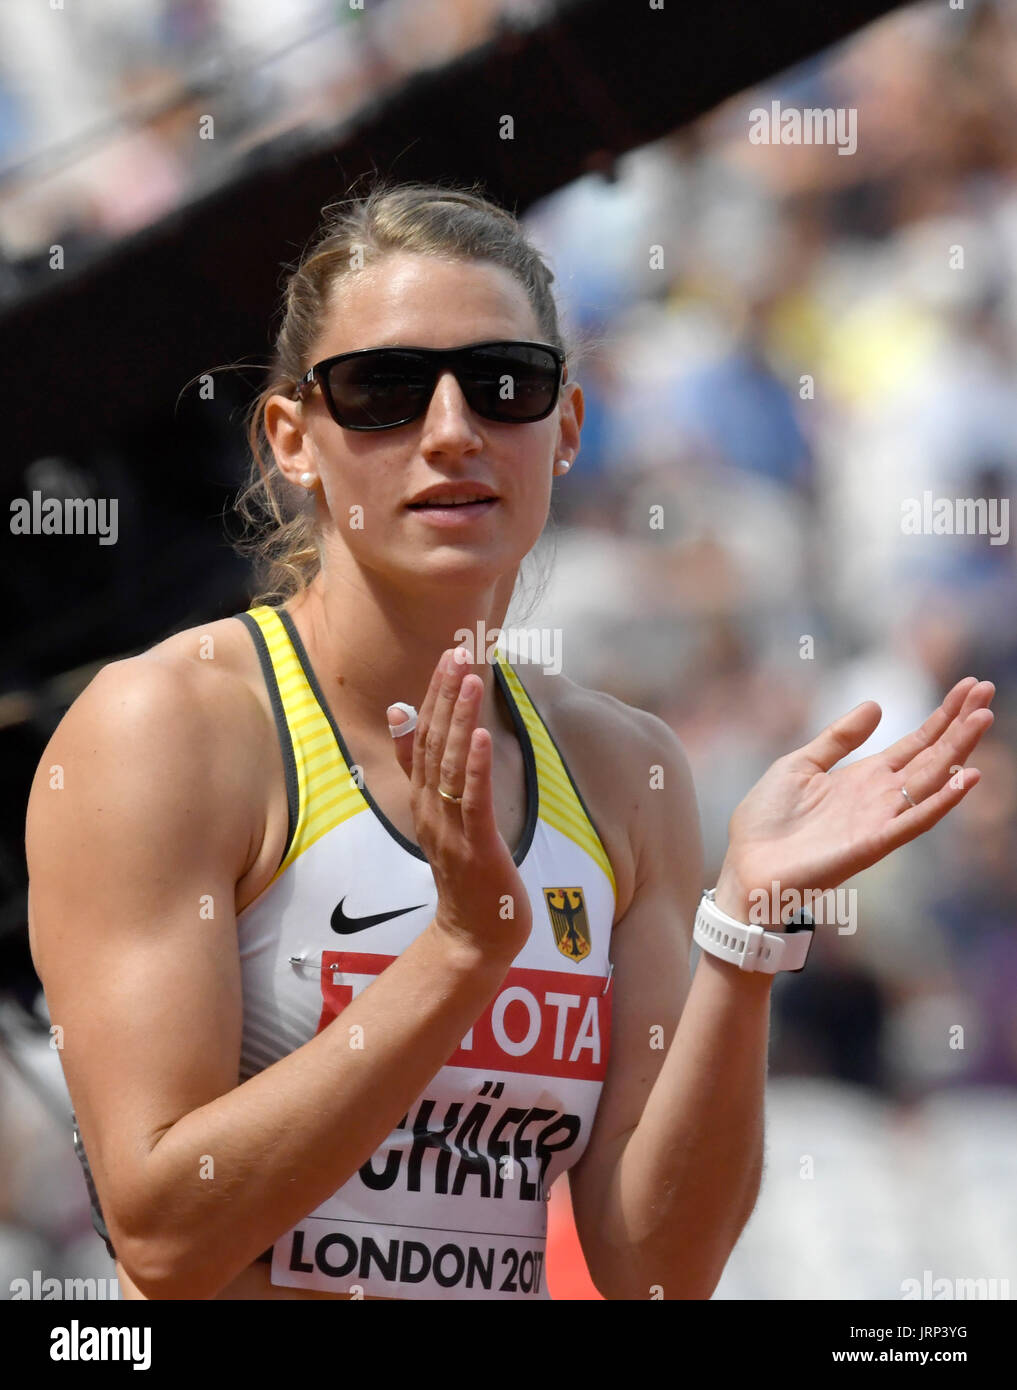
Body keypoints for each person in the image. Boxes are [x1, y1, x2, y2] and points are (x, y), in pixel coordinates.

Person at [24, 180, 995, 1301]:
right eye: (383, 389)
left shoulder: (623, 770)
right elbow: (165, 1232)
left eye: (502, 386)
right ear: (293, 438)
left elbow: (655, 1273)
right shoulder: (170, 727)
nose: (450, 433)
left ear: (565, 428)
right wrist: (456, 953)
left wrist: (745, 935)